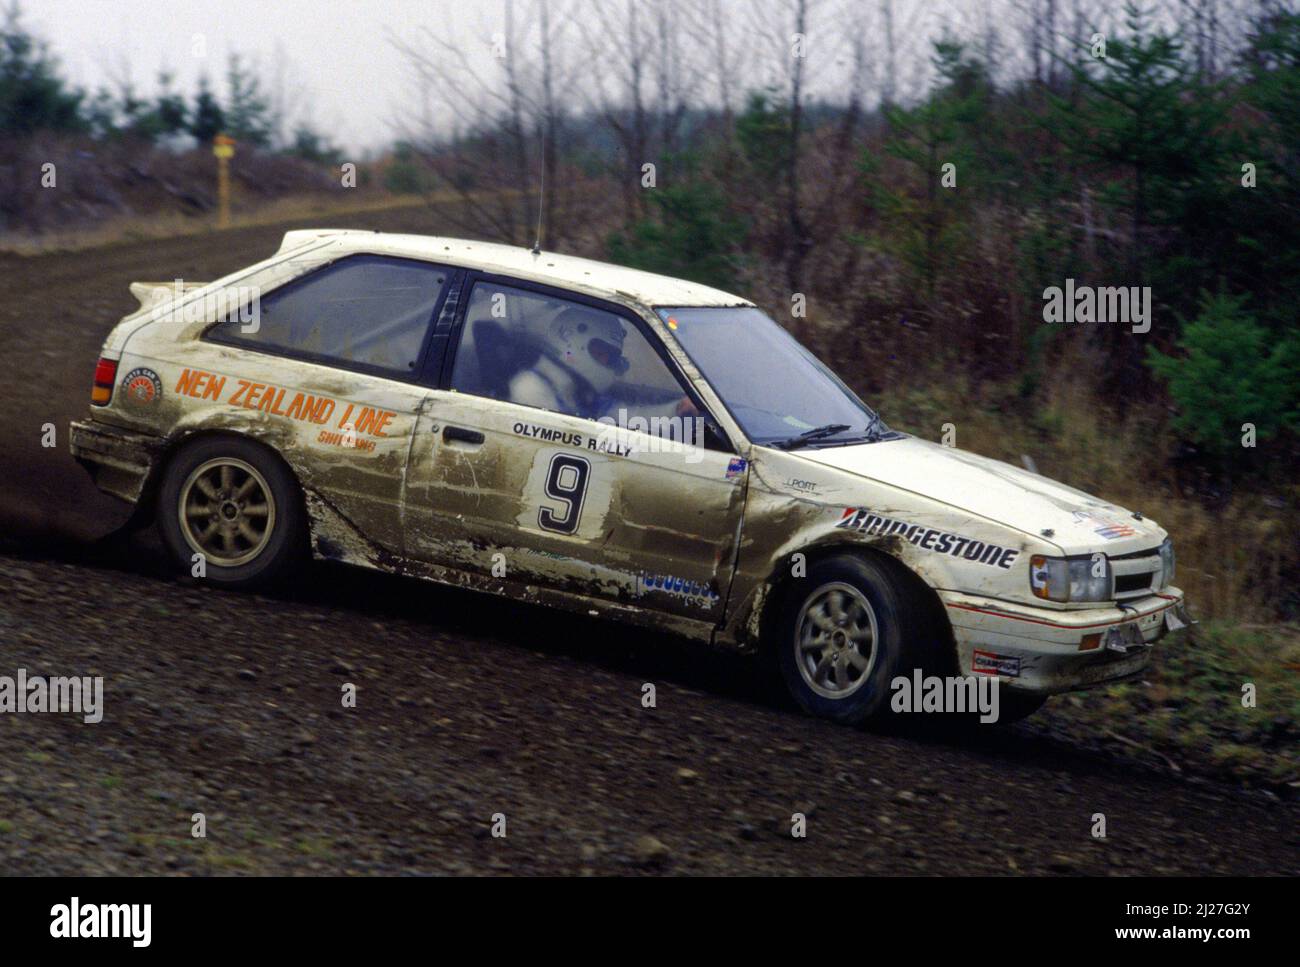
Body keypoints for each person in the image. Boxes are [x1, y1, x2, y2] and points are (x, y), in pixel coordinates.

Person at [509, 306, 698, 424]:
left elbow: (630, 418)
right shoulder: (530, 389)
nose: (607, 362)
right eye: (601, 352)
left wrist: (678, 409)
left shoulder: (580, 393)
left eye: (611, 356)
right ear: (569, 339)